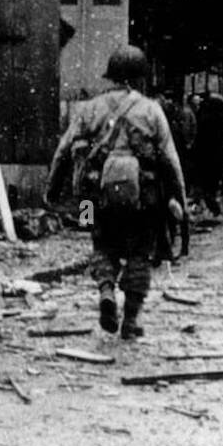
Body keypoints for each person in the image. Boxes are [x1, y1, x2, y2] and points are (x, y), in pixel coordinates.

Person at [46, 45, 186, 339]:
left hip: (95, 197)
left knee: (101, 244)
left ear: (110, 75)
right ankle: (131, 320)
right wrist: (179, 199)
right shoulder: (151, 109)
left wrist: (52, 190)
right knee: (140, 253)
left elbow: (63, 151)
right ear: (140, 76)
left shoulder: (89, 108)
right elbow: (170, 159)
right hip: (144, 197)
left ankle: (106, 290)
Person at [193, 91, 223, 218]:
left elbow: (199, 136)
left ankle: (213, 204)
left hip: (207, 153)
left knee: (208, 182)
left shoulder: (204, 116)